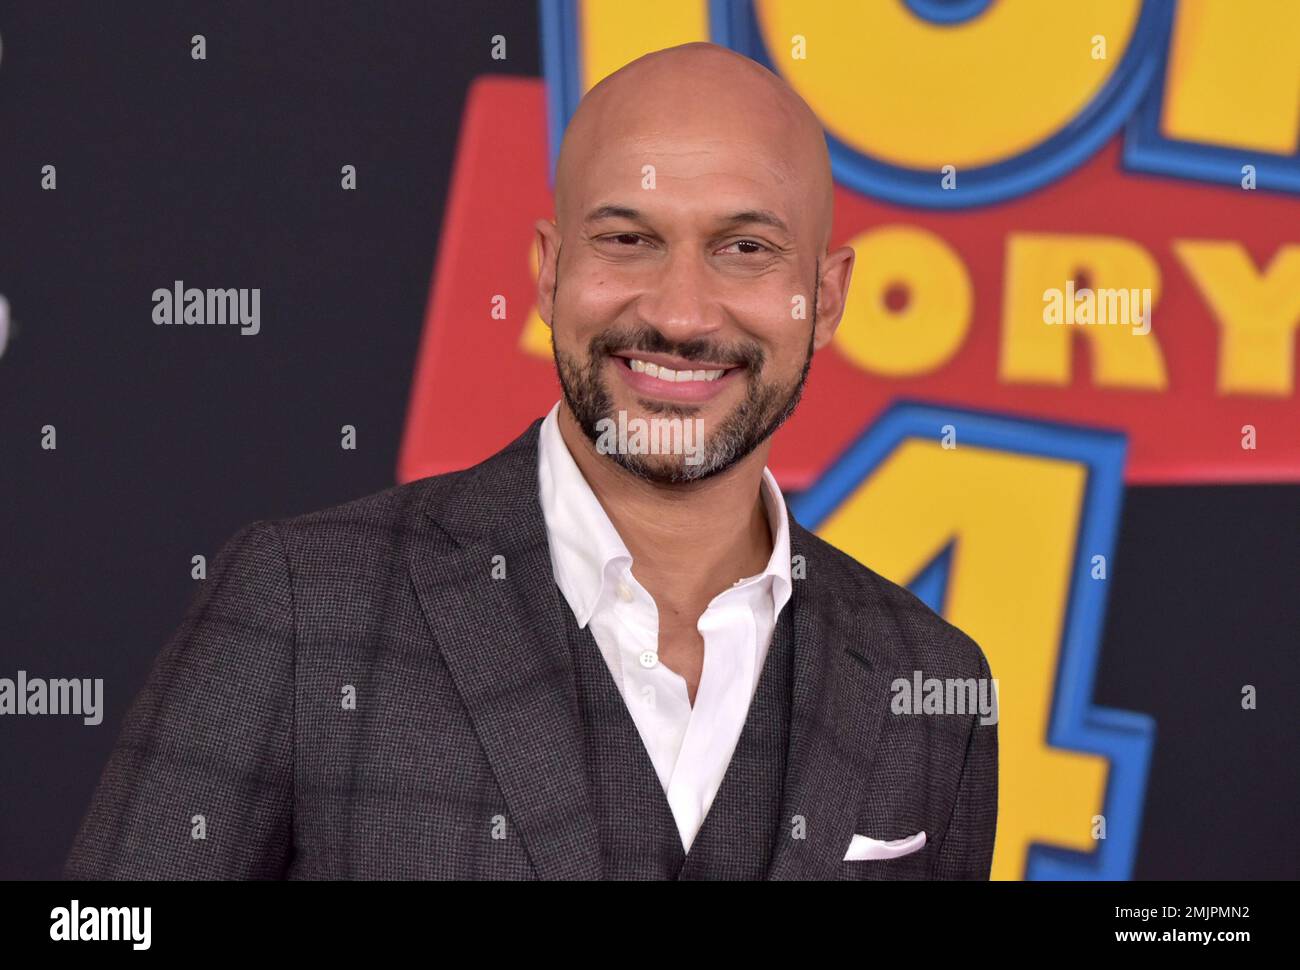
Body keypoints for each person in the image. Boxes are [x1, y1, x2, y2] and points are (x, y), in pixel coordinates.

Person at [65, 41, 996, 880]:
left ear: (825, 299)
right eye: (628, 240)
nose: (680, 313)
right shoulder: (305, 606)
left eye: (745, 249)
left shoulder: (929, 683)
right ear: (549, 274)